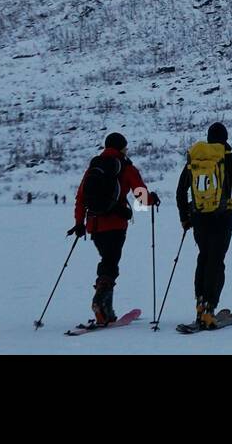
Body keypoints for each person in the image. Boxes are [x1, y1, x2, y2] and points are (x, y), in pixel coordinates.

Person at [69, 132, 160, 326]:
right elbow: (142, 198)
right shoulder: (126, 168)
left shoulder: (94, 168)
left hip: (94, 225)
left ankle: (106, 309)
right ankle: (101, 302)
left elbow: (81, 197)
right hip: (115, 225)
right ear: (121, 148)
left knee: (107, 260)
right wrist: (153, 199)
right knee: (110, 263)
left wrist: (79, 223)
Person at [176, 122, 232, 329]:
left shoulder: (196, 160)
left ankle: (200, 305)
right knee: (216, 261)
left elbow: (180, 191)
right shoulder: (230, 160)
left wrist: (185, 217)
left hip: (199, 219)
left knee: (203, 258)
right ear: (225, 138)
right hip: (222, 217)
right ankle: (210, 308)